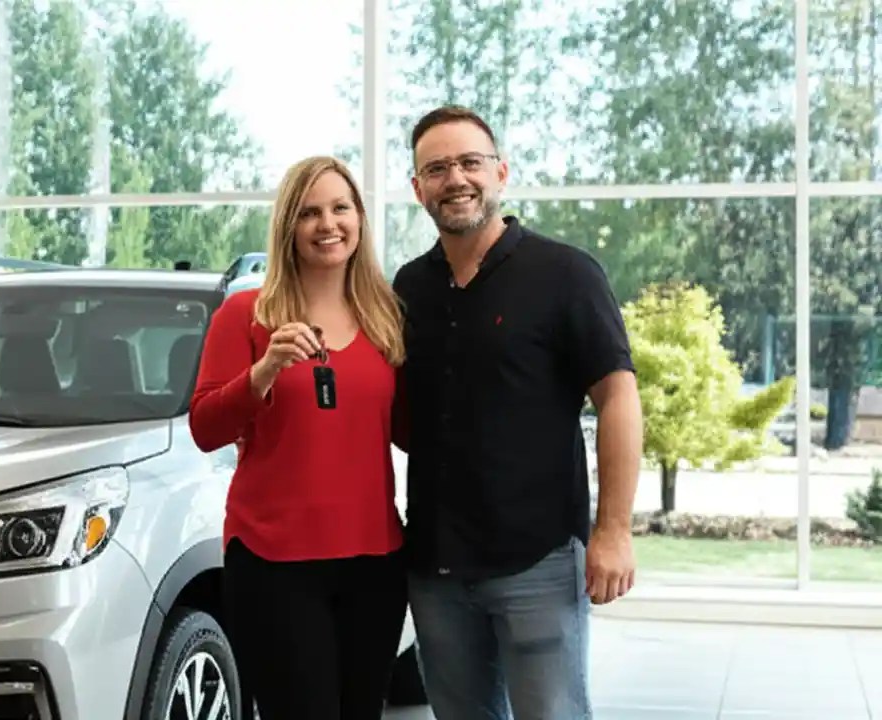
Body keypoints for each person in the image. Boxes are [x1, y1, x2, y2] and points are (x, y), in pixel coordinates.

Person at [391, 105, 644, 719]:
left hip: (537, 561)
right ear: (418, 188)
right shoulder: (408, 287)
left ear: (500, 172)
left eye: (470, 162)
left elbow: (618, 398)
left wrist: (612, 530)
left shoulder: (565, 273)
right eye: (438, 167)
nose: (456, 178)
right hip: (434, 566)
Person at [189, 155, 408, 720]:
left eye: (340, 207)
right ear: (288, 226)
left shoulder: (385, 316)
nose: (327, 224)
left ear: (360, 218)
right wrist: (263, 371)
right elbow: (206, 428)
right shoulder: (245, 314)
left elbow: (412, 427)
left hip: (375, 560)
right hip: (275, 562)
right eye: (309, 212)